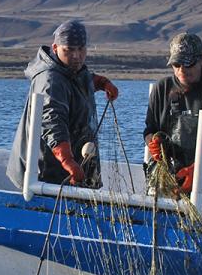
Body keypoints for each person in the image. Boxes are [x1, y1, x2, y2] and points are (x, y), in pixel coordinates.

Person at [7, 19, 120, 188]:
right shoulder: (50, 80)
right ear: (55, 48)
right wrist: (68, 161)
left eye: (81, 49)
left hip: (73, 165)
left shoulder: (72, 71)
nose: (76, 56)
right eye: (69, 50)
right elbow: (53, 121)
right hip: (46, 173)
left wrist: (101, 83)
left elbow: (77, 83)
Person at [143, 33, 202, 219]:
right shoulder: (161, 89)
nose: (182, 70)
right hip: (170, 180)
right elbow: (150, 129)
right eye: (176, 65)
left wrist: (197, 172)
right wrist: (153, 142)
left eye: (188, 64)